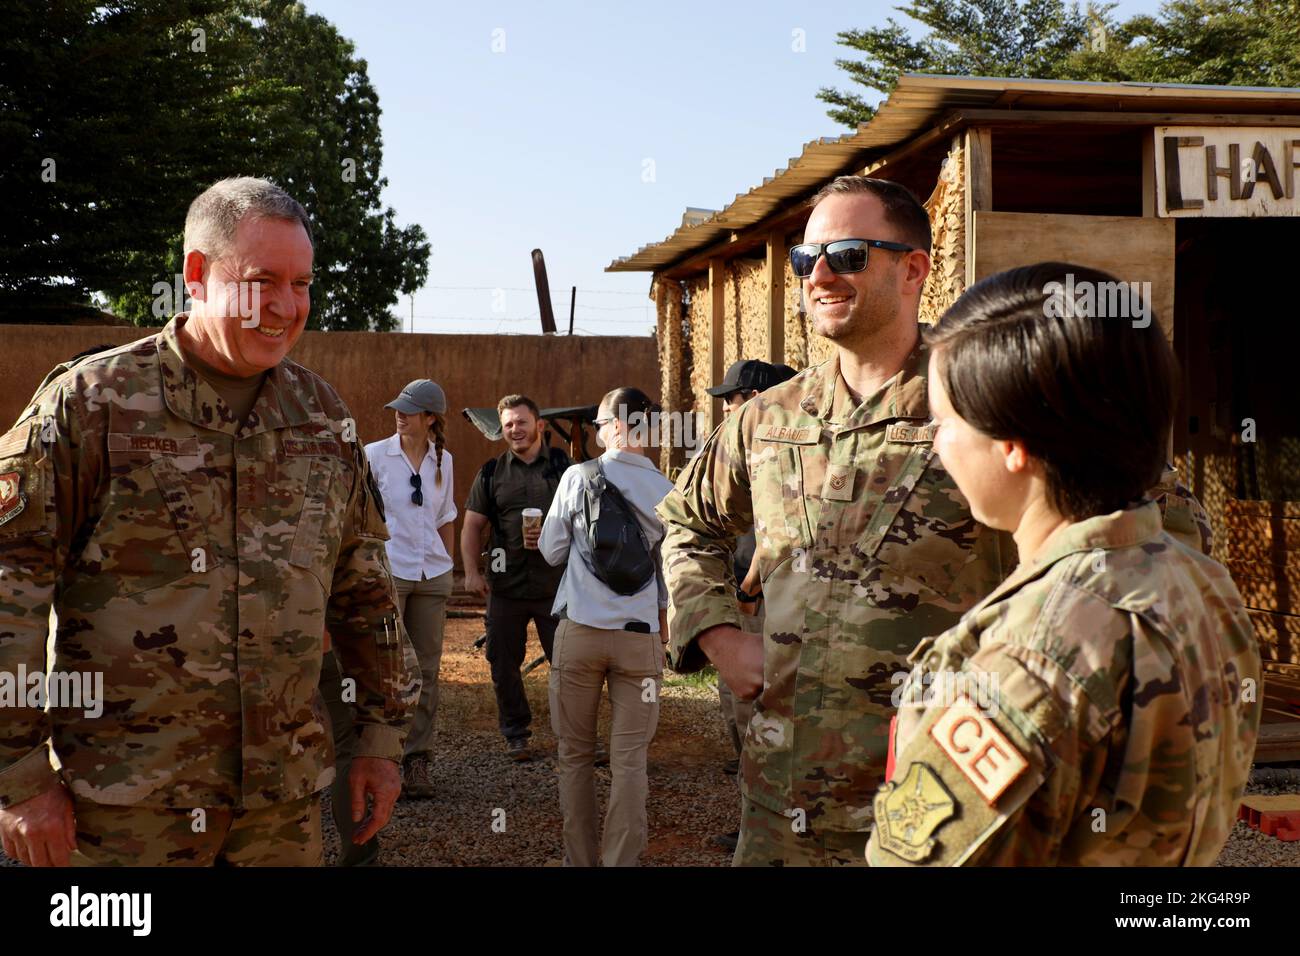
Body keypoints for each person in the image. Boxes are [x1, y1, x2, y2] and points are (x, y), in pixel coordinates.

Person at [0, 176, 419, 867]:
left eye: (303, 284)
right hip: (124, 808)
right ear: (197, 275)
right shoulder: (92, 405)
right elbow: (11, 597)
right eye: (263, 282)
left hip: (279, 809)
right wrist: (18, 778)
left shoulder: (322, 417)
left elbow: (363, 589)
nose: (287, 307)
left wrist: (379, 740)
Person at [657, 176, 1014, 866]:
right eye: (805, 258)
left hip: (941, 813)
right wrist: (718, 634)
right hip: (779, 807)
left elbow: (1131, 532)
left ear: (913, 268)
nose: (819, 274)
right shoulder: (770, 416)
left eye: (847, 254)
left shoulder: (984, 397)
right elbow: (688, 521)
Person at [865, 263, 1262, 866]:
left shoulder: (1034, 655)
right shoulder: (1198, 579)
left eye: (944, 423)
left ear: (1013, 446)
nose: (936, 442)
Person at [539, 387, 675, 867]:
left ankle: (580, 860)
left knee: (574, 757)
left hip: (579, 633)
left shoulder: (578, 477)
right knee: (630, 761)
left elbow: (551, 550)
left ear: (619, 426)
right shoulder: (668, 491)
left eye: (599, 424)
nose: (596, 433)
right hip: (640, 643)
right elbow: (672, 576)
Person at [704, 359, 796, 852]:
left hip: (765, 601)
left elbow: (772, 534)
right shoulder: (751, 449)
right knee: (742, 712)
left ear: (759, 398)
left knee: (756, 713)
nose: (726, 407)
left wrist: (745, 592)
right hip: (751, 596)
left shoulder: (783, 449)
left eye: (733, 398)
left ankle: (765, 830)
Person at [463, 395, 571, 761]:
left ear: (539, 425)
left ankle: (572, 735)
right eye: (508, 424)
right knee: (503, 662)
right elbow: (472, 526)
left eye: (522, 422)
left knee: (569, 663)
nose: (515, 430)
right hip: (505, 585)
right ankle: (516, 733)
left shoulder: (563, 468)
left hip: (554, 586)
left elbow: (582, 519)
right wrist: (472, 573)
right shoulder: (491, 472)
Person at [364, 379, 457, 798]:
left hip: (431, 575)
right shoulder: (373, 456)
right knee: (386, 668)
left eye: (409, 409)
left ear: (431, 418)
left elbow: (446, 517)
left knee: (428, 671)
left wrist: (450, 569)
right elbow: (360, 518)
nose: (399, 414)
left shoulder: (445, 461)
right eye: (398, 408)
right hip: (390, 573)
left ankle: (418, 760)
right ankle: (379, 758)